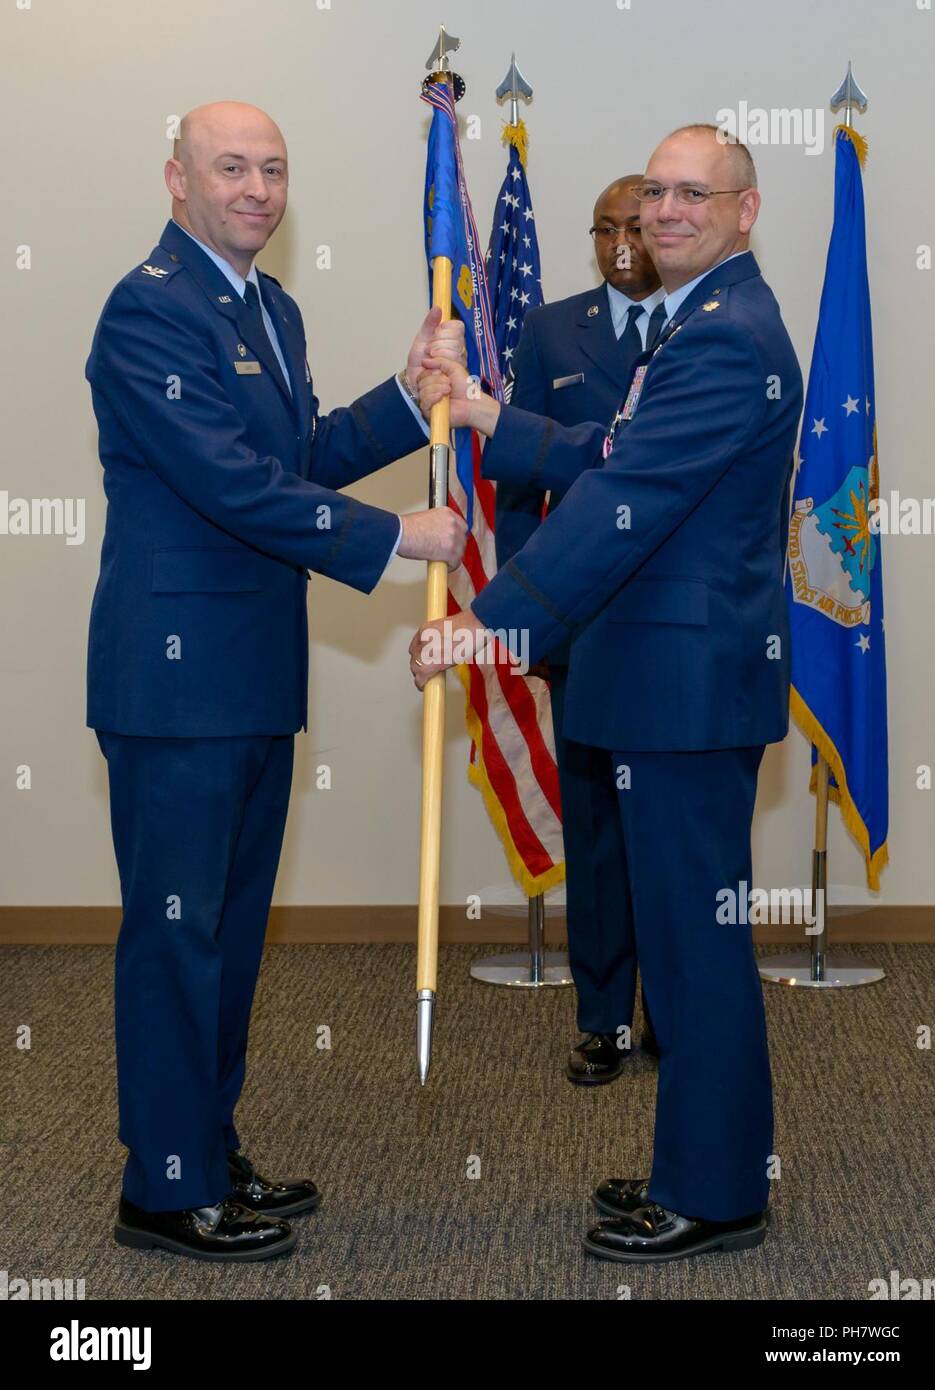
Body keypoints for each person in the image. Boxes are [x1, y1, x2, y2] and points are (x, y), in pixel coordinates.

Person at [410, 124, 803, 1263]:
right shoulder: (703, 322)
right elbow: (619, 448)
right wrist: (492, 419)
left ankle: (718, 1192)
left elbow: (630, 489)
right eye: (655, 196)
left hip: (680, 693)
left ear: (745, 208)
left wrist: (485, 625)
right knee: (684, 944)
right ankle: (697, 1163)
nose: (666, 213)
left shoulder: (725, 336)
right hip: (665, 685)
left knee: (690, 949)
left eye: (694, 195)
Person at [86, 101, 465, 1262]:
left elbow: (291, 456)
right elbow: (232, 486)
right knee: (174, 933)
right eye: (232, 167)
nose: (257, 188)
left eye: (273, 169)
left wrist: (405, 398)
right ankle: (162, 1189)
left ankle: (204, 1144)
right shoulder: (148, 310)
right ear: (177, 179)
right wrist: (397, 538)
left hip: (251, 677)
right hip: (175, 684)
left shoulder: (269, 307)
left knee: (230, 934)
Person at [495, 175, 665, 1085]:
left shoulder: (698, 321)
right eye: (605, 228)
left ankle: (670, 1013)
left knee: (675, 829)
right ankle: (602, 1017)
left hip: (673, 623)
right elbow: (518, 477)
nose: (622, 243)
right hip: (582, 620)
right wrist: (526, 609)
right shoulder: (552, 329)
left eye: (637, 225)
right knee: (596, 827)